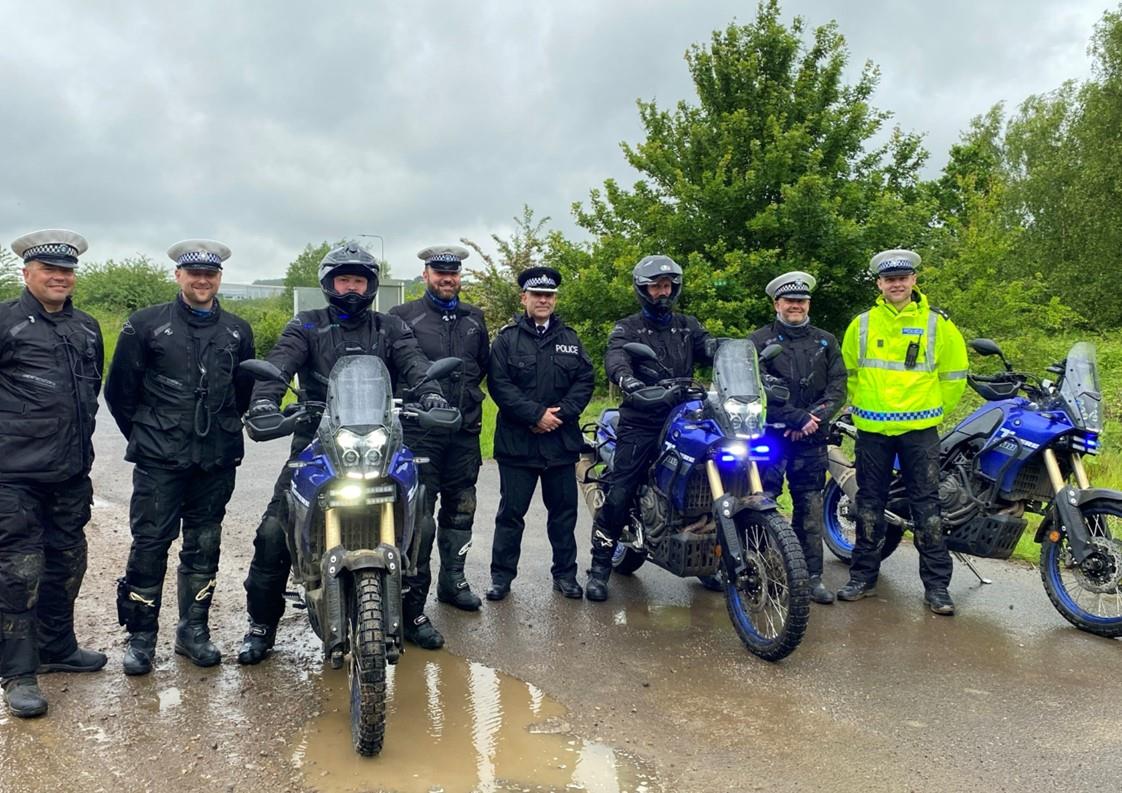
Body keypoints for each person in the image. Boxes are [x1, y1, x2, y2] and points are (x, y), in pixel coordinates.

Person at [237, 242, 446, 663]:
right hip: (318, 439)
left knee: (420, 521)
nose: (351, 288)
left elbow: (415, 364)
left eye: (359, 280)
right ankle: (261, 625)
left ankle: (412, 613)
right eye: (343, 279)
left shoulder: (389, 327)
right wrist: (264, 401)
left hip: (382, 440)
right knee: (273, 533)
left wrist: (433, 394)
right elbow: (279, 365)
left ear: (370, 285)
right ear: (329, 284)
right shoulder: (307, 325)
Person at [105, 240, 255, 675]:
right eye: (194, 274)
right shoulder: (145, 324)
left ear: (219, 278)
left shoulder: (237, 330)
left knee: (204, 545)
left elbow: (241, 392)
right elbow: (119, 393)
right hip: (159, 459)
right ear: (179, 276)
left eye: (210, 274)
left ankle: (193, 633)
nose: (202, 280)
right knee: (150, 545)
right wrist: (151, 436)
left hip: (216, 457)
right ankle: (141, 638)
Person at [0, 229, 105, 718]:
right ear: (27, 273)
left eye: (67, 271)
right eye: (49, 270)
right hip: (13, 475)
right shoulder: (5, 321)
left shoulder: (85, 327)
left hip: (69, 472)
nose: (60, 277)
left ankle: (57, 648)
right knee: (20, 573)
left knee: (68, 563)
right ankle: (18, 673)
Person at [837, 249, 968, 615]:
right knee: (869, 505)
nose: (896, 284)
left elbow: (955, 376)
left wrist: (929, 408)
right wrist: (862, 406)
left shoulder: (937, 324)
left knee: (927, 507)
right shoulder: (861, 324)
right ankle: (862, 578)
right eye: (889, 279)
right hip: (873, 431)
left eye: (903, 278)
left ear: (913, 281)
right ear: (879, 283)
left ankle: (937, 588)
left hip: (919, 432)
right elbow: (849, 374)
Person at [585, 255, 715, 602]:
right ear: (643, 289)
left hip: (686, 416)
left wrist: (728, 351)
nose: (663, 291)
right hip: (642, 419)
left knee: (715, 473)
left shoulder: (687, 325)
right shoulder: (627, 328)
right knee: (622, 488)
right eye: (656, 286)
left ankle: (713, 559)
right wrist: (628, 381)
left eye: (668, 285)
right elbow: (616, 358)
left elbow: (709, 348)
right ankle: (599, 567)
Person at [387, 245, 489, 648]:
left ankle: (453, 581)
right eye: (439, 272)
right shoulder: (402, 318)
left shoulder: (474, 319)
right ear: (425, 274)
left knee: (462, 507)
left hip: (463, 429)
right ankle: (412, 601)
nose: (447, 279)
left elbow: (481, 367)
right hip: (419, 431)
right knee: (418, 517)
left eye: (454, 273)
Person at [486, 266, 594, 601]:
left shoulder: (570, 340)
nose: (543, 301)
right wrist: (534, 415)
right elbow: (499, 385)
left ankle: (565, 576)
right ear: (524, 298)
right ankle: (501, 578)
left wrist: (556, 416)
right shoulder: (506, 340)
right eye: (537, 295)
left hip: (559, 443)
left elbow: (584, 381)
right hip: (518, 444)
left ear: (555, 299)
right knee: (510, 516)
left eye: (549, 296)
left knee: (563, 515)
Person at [750, 271, 847, 605]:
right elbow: (755, 388)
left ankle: (811, 577)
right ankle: (761, 570)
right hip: (771, 436)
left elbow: (838, 387)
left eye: (801, 301)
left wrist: (814, 419)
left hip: (811, 438)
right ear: (777, 303)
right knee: (761, 504)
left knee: (810, 506)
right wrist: (795, 417)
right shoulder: (757, 341)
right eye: (789, 301)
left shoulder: (826, 340)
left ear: (808, 304)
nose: (796, 306)